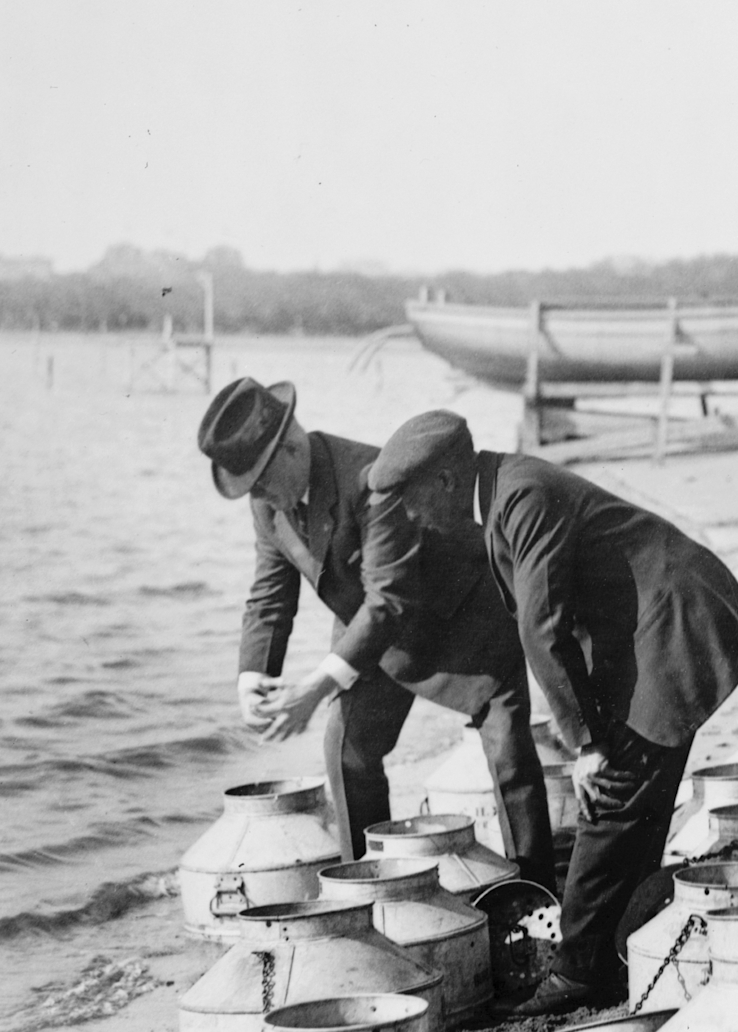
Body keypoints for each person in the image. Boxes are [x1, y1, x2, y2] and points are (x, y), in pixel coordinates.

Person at [366, 409, 738, 1014]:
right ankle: (623, 954)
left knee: (612, 795)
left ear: (446, 483)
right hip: (647, 627)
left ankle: (578, 973)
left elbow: (542, 624)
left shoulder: (520, 497)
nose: (411, 519)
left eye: (411, 501)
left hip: (672, 620)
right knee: (634, 806)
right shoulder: (503, 492)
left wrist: (586, 745)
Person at [196, 376, 554, 877]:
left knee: (509, 757)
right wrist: (251, 678)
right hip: (372, 644)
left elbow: (389, 598)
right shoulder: (269, 503)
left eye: (260, 482)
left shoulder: (368, 477)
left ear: (291, 449)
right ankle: (367, 886)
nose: (260, 499)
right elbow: (271, 593)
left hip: (462, 622)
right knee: (349, 755)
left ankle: (534, 891)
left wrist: (317, 685)